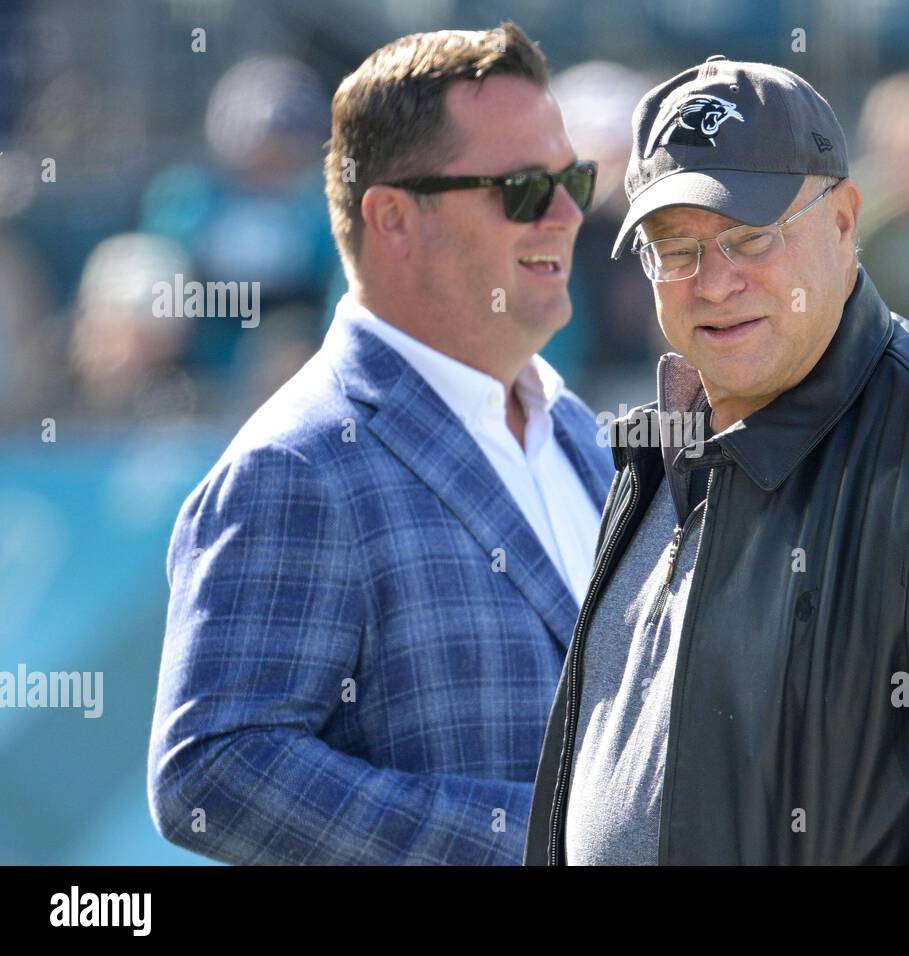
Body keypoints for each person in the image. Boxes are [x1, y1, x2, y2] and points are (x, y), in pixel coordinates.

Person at [524, 55, 909, 865]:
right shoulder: (659, 449)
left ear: (845, 221)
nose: (714, 282)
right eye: (675, 249)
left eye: (751, 237)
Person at [148, 23, 612, 865]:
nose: (568, 211)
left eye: (572, 177)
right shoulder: (296, 464)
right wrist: (548, 841)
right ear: (393, 217)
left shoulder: (578, 433)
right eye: (522, 186)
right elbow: (211, 773)